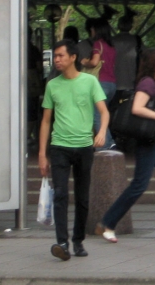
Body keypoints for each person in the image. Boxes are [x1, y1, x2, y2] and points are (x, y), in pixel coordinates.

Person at [96, 48, 155, 244]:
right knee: (139, 185)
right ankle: (108, 223)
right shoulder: (147, 83)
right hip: (149, 141)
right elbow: (137, 108)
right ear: (154, 63)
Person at [38, 39, 110, 261]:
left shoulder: (89, 81)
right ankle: (62, 242)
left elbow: (104, 112)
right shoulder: (52, 85)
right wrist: (42, 153)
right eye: (55, 56)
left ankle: (78, 240)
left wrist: (101, 133)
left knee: (82, 197)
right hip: (59, 146)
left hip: (84, 147)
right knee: (60, 194)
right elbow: (46, 121)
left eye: (60, 56)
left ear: (73, 57)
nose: (57, 60)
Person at [81, 18, 117, 149]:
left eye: (92, 28)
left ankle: (104, 145)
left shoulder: (98, 44)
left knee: (97, 115)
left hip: (100, 83)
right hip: (112, 84)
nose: (91, 31)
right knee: (104, 114)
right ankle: (110, 141)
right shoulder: (111, 46)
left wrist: (85, 62)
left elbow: (95, 62)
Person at [112, 13, 142, 96]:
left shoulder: (111, 41)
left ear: (118, 26)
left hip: (114, 81)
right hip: (132, 81)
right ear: (131, 26)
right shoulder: (137, 41)